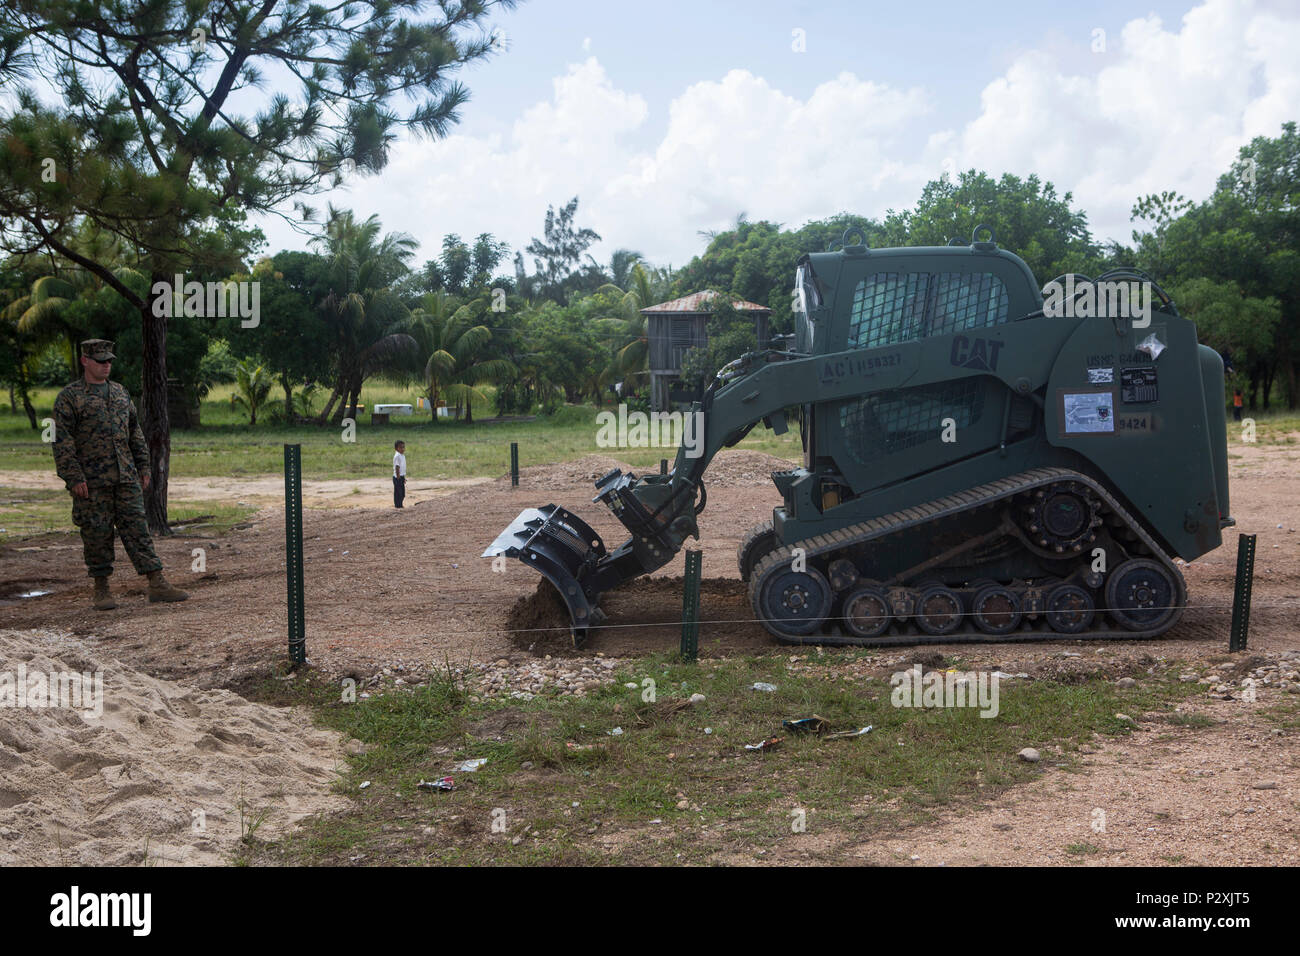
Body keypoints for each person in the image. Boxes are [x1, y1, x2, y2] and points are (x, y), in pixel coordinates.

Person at [51, 340, 190, 610]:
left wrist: (143, 467)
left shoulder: (120, 393)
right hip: (91, 482)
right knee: (96, 533)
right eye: (100, 360)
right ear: (85, 361)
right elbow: (61, 442)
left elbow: (135, 433)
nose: (106, 365)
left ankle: (157, 582)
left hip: (125, 477)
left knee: (138, 529)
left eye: (109, 361)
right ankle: (101, 589)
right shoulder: (69, 397)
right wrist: (74, 477)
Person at [393, 440, 407, 508]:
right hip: (397, 477)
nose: (403, 449)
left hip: (401, 476)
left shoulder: (402, 455)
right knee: (398, 493)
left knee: (402, 494)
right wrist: (398, 477)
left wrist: (403, 477)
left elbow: (402, 468)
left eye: (403, 447)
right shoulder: (397, 456)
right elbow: (397, 467)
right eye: (401, 447)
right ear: (396, 448)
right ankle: (398, 506)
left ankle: (400, 505)